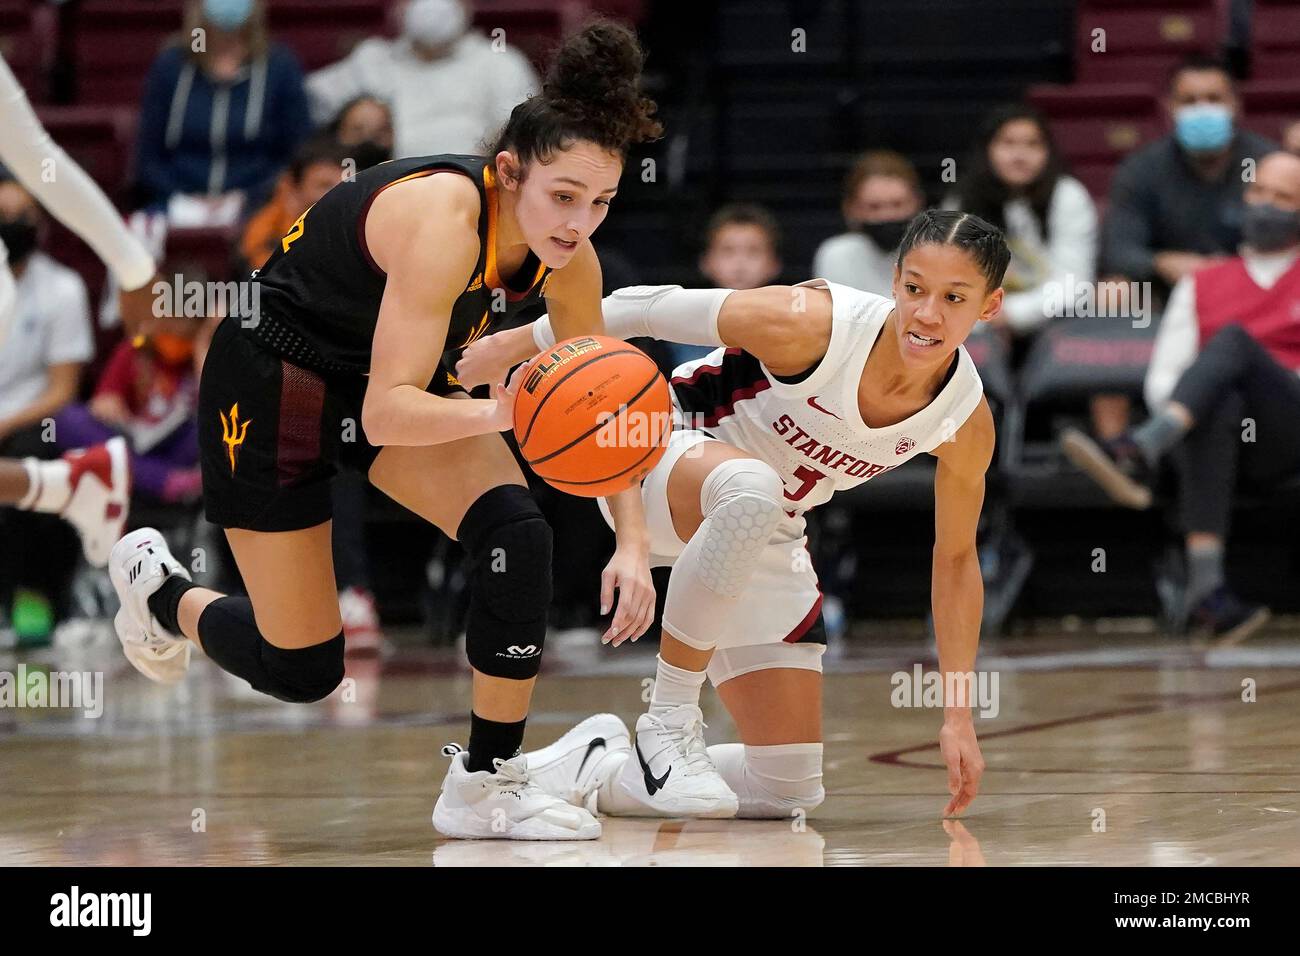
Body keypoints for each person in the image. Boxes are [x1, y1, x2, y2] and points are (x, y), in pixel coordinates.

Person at [104, 20, 663, 842]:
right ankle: (161, 595)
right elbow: (388, 412)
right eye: (564, 197)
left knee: (518, 531)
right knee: (304, 669)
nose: (580, 223)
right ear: (508, 173)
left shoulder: (573, 261)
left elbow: (605, 407)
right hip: (273, 374)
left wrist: (632, 539)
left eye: (602, 202)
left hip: (376, 374)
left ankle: (484, 783)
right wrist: (506, 410)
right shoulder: (442, 218)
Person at [457, 209, 1003, 819]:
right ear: (895, 279)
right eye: (914, 288)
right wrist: (516, 341)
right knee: (752, 487)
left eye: (953, 298)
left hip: (764, 526)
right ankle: (668, 721)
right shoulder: (811, 323)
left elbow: (955, 561)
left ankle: (594, 767)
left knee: (786, 791)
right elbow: (645, 305)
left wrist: (958, 715)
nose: (927, 313)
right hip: (655, 454)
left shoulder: (964, 420)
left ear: (989, 306)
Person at [1061, 151, 1300, 644]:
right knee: (1217, 401)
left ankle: (1140, 448)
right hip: (1235, 438)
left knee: (1232, 344)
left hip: (1292, 424)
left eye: (1283, 198)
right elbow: (1164, 376)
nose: (1267, 205)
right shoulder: (1203, 280)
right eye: (1260, 193)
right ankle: (1210, 594)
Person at [135, 0, 312, 212]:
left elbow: (295, 154)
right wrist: (182, 198)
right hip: (177, 202)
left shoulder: (280, 67)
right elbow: (148, 157)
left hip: (255, 205)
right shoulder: (172, 65)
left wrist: (247, 198)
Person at [307, 0, 539, 158]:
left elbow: (523, 132)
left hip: (474, 189)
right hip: (384, 190)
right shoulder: (372, 59)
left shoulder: (501, 62)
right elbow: (309, 103)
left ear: (467, 5)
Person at [944, 104, 1096, 344]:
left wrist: (1012, 314)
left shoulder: (1068, 195)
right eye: (1008, 143)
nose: (1020, 155)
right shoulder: (962, 199)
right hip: (979, 323)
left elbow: (1073, 284)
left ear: (1048, 151)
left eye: (1032, 144)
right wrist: (985, 316)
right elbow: (948, 276)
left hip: (1054, 322)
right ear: (987, 149)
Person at [812, 150, 925, 295]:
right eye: (874, 207)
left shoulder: (937, 254)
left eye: (897, 204)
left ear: (917, 203)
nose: (887, 216)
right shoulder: (836, 255)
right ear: (851, 208)